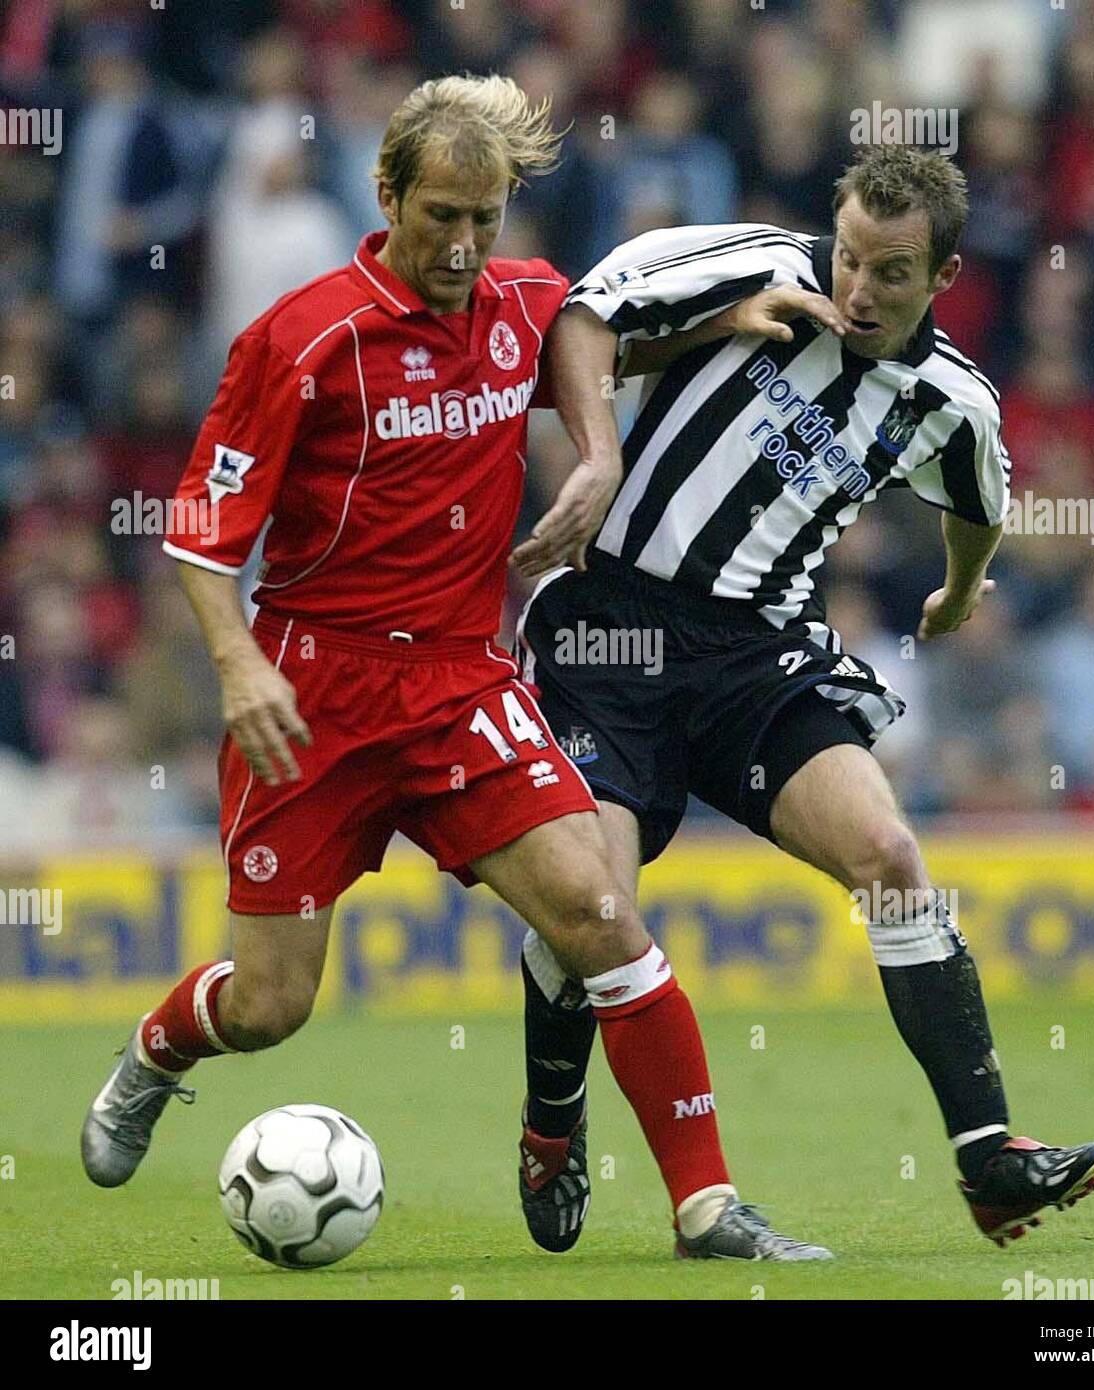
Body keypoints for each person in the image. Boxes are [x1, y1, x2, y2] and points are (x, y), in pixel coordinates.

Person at [80, 74, 825, 1263]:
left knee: (600, 914)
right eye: (441, 218)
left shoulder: (525, 302)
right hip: (311, 697)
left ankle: (705, 1206)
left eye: (485, 219)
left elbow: (608, 346)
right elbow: (199, 528)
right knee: (270, 1006)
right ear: (385, 197)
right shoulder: (302, 339)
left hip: (462, 687)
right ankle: (158, 1054)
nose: (465, 245)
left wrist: (717, 326)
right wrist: (236, 664)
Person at [512, 145, 1094, 1250]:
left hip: (758, 657)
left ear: (942, 277)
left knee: (887, 854)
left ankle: (988, 1156)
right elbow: (581, 313)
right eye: (847, 257)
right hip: (610, 628)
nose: (855, 289)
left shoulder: (950, 401)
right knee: (591, 909)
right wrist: (597, 457)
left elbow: (980, 496)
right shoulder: (752, 259)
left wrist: (961, 589)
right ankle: (553, 1116)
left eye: (890, 272)